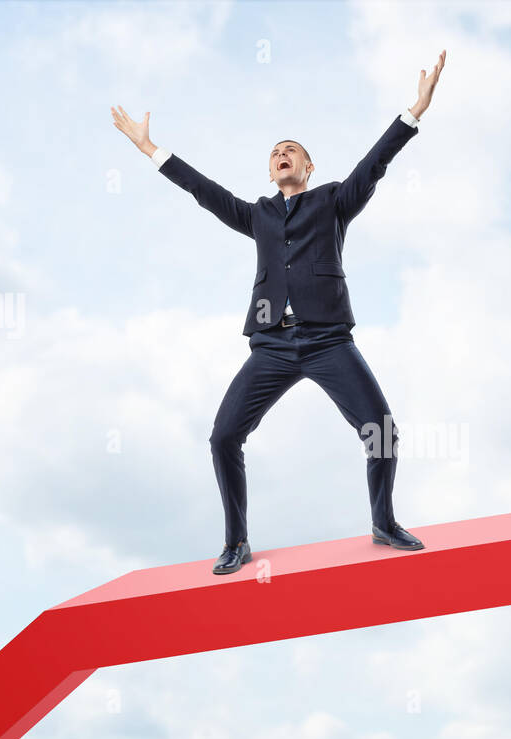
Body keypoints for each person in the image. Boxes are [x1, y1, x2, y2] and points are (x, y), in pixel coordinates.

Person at [112, 51, 446, 574]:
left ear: (309, 168)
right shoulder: (257, 215)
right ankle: (236, 542)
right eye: (275, 153)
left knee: (381, 430)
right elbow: (203, 191)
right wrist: (149, 147)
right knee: (224, 436)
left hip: (328, 341)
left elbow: (374, 163)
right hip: (272, 344)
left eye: (292, 151)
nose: (283, 154)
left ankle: (383, 522)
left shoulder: (334, 201)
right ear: (270, 171)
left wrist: (414, 112)